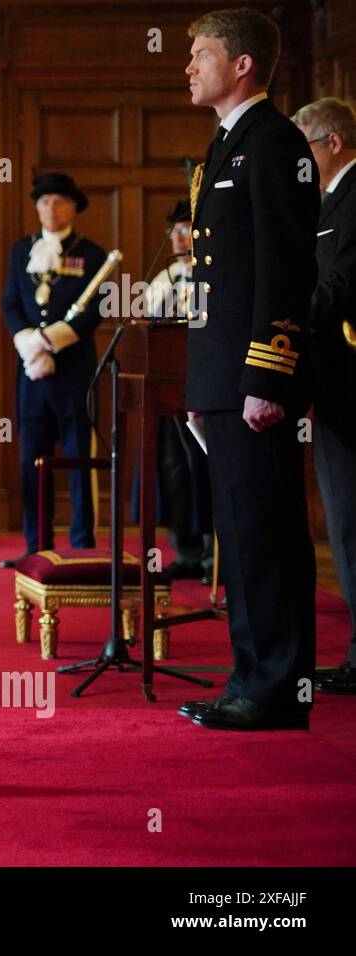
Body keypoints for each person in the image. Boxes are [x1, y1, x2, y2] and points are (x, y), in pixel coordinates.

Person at [178, 8, 318, 730]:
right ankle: (251, 678)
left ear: (242, 64)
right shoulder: (226, 144)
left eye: (201, 54)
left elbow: (286, 270)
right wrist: (204, 384)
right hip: (224, 378)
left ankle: (275, 688)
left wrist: (266, 376)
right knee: (242, 533)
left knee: (266, 535)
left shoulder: (274, 141)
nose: (188, 67)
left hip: (253, 379)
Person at [0, 172, 107, 568]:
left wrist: (51, 340)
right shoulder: (21, 251)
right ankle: (36, 546)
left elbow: (95, 310)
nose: (51, 208)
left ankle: (82, 545)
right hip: (32, 373)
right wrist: (28, 342)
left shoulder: (92, 254)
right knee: (33, 459)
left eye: (60, 201)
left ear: (73, 208)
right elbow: (11, 303)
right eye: (44, 202)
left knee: (79, 458)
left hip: (74, 373)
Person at [293, 97, 356, 695]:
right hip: (335, 377)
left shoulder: (352, 196)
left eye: (304, 147)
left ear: (332, 142)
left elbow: (338, 288)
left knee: (350, 517)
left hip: (349, 381)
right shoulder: (330, 198)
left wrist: (275, 311)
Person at [143, 199, 214, 583]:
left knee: (204, 467)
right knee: (173, 469)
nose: (179, 237)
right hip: (167, 388)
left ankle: (212, 554)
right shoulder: (164, 279)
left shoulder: (213, 272)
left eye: (186, 229)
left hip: (204, 387)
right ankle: (185, 549)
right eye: (174, 230)